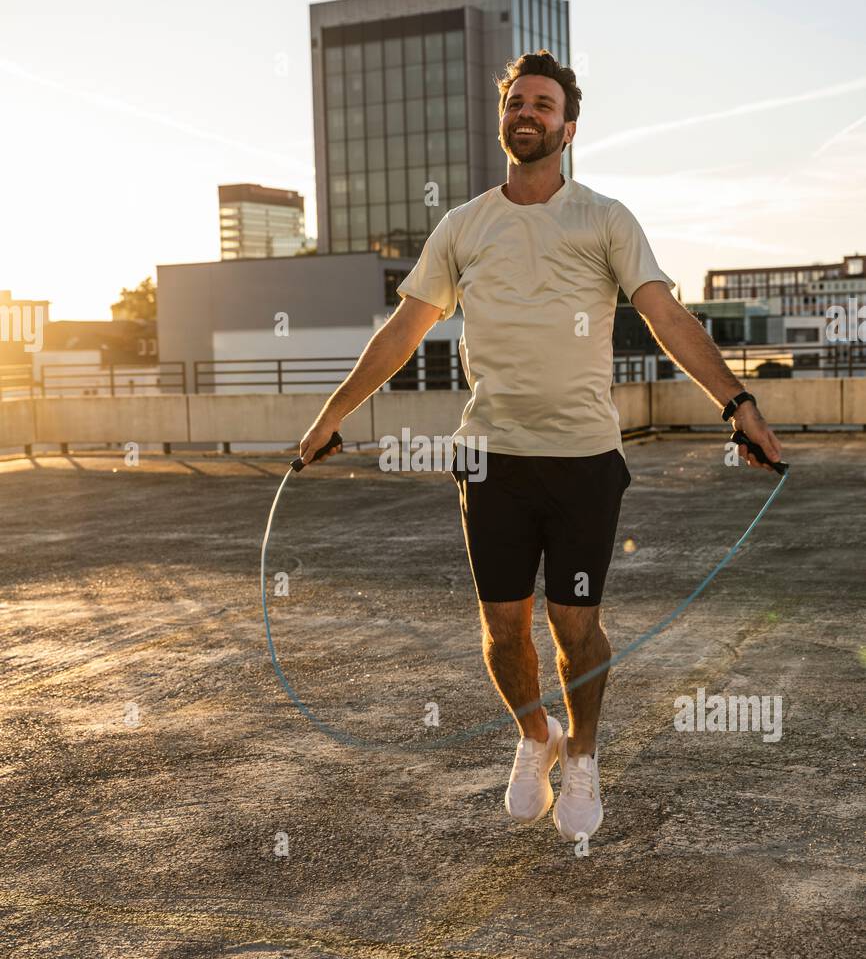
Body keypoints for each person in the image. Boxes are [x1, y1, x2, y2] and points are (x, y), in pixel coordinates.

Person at [299, 49, 782, 842]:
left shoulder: (605, 217)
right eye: (516, 101)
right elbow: (402, 331)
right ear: (505, 119)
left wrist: (739, 402)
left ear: (569, 126)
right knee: (502, 629)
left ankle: (584, 756)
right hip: (491, 458)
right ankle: (535, 737)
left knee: (575, 623)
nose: (527, 112)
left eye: (543, 104)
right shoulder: (463, 226)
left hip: (585, 460)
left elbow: (666, 317)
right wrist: (331, 414)